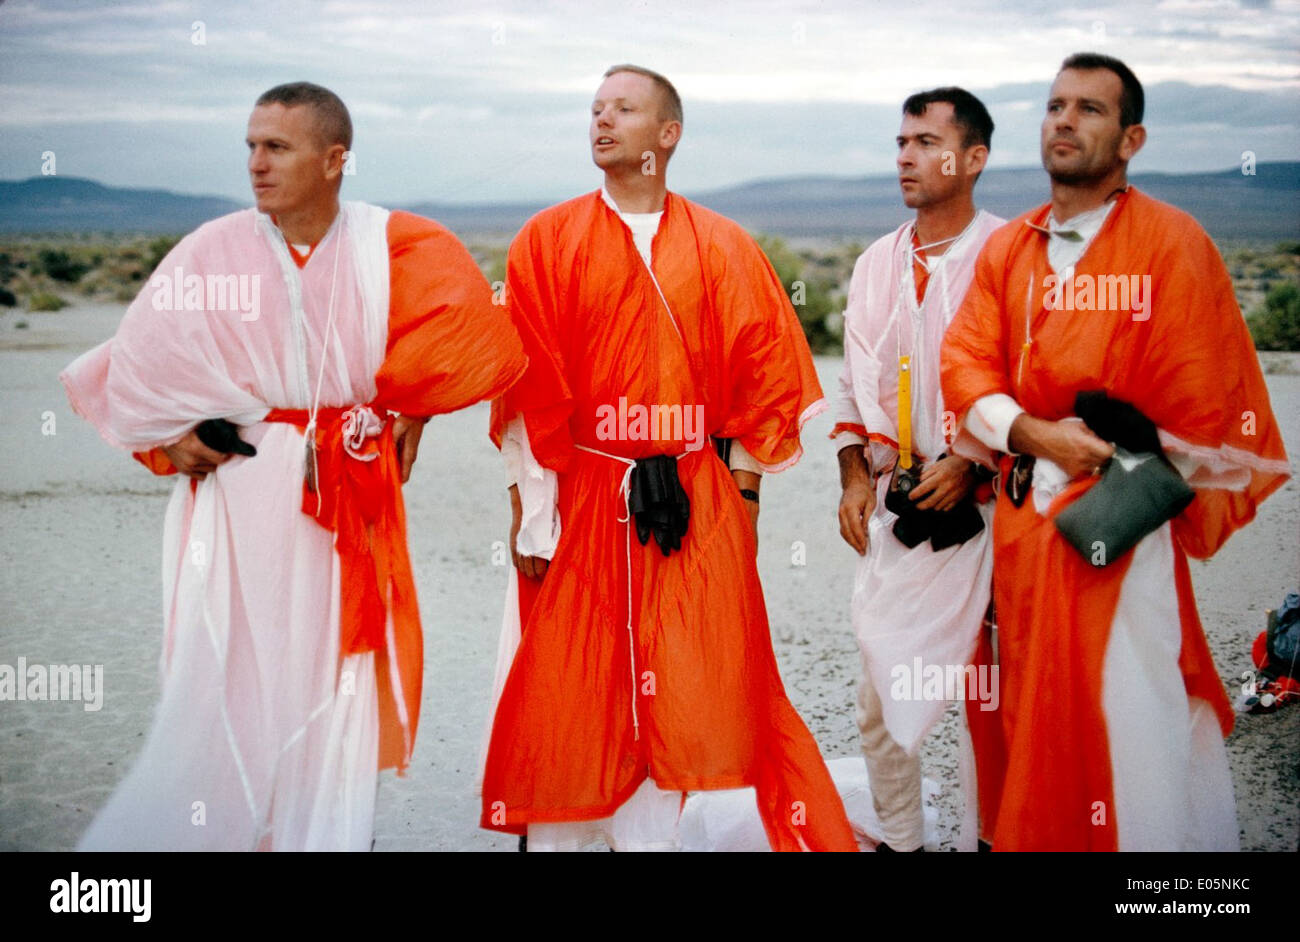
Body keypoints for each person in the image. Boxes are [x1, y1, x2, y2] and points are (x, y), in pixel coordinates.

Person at [61, 81, 526, 850]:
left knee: (331, 671)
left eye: (276, 147)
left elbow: (474, 326)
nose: (256, 163)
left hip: (346, 490)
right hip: (236, 500)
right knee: (224, 678)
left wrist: (414, 405)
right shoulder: (213, 251)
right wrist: (170, 439)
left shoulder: (390, 244)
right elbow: (135, 370)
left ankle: (325, 835)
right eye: (249, 146)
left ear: (335, 158)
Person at [479, 64, 857, 852]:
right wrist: (533, 518)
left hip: (694, 491)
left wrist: (744, 506)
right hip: (584, 488)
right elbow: (526, 398)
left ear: (668, 135)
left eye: (623, 108)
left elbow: (762, 388)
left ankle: (658, 835)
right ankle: (563, 833)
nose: (602, 121)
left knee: (693, 673)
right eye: (594, 109)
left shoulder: (723, 246)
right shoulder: (546, 242)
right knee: (575, 677)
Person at [940, 53, 1290, 851]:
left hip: (1119, 527)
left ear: (1130, 137)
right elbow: (963, 362)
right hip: (1026, 530)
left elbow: (1209, 398)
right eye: (1056, 105)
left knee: (1131, 708)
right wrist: (1032, 433)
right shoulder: (1010, 249)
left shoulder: (1172, 242)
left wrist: (1124, 436)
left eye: (1089, 110)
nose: (1065, 120)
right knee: (1039, 709)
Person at [833, 88, 1004, 852]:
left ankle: (996, 836)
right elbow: (850, 384)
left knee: (990, 693)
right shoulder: (877, 263)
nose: (905, 156)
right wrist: (853, 476)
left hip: (997, 507)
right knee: (881, 687)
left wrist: (974, 461)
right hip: (901, 507)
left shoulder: (1012, 253)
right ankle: (902, 840)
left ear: (973, 159)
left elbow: (1038, 386)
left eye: (925, 141)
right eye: (900, 141)